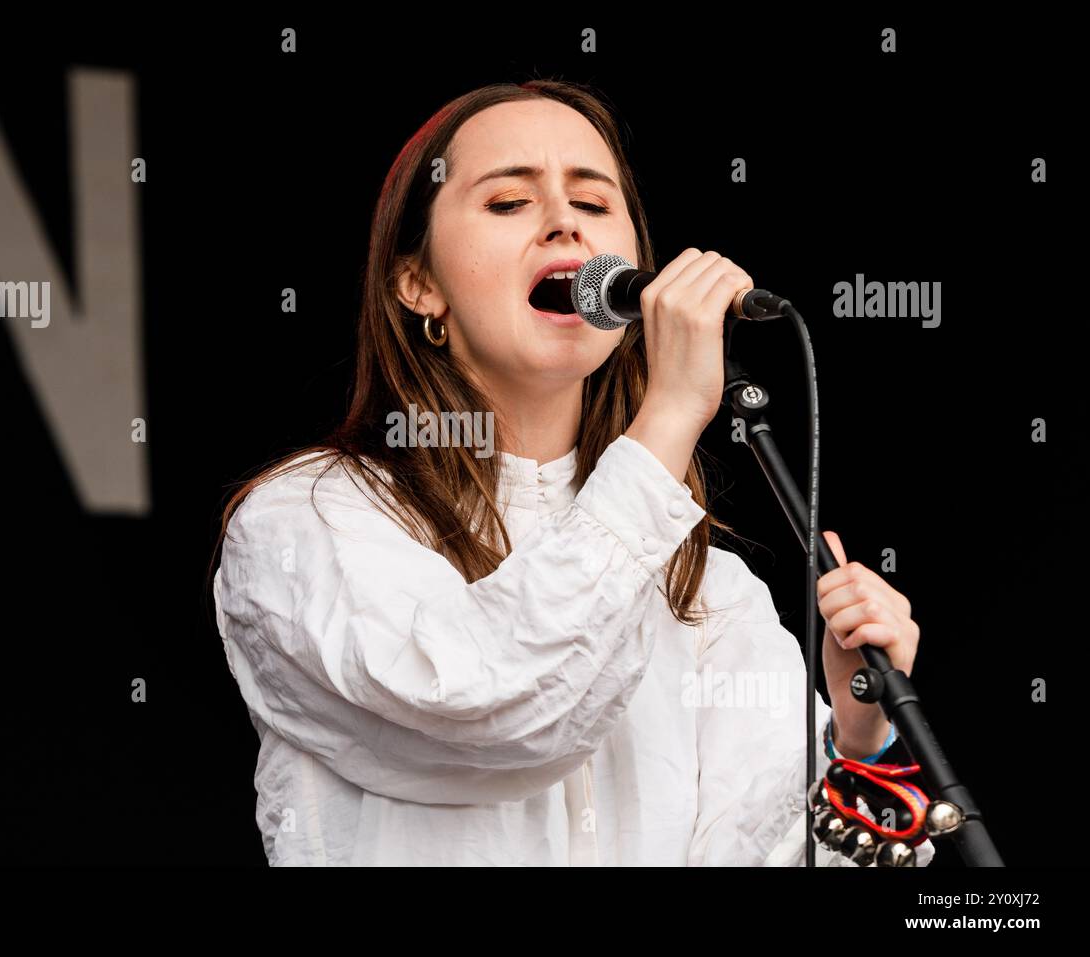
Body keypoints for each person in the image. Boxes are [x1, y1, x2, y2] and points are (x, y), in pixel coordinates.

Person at [212, 79, 930, 866]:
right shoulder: (305, 520)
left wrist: (860, 737)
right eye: (508, 203)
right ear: (417, 284)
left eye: (593, 205)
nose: (563, 224)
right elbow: (492, 708)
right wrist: (668, 416)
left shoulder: (705, 586)